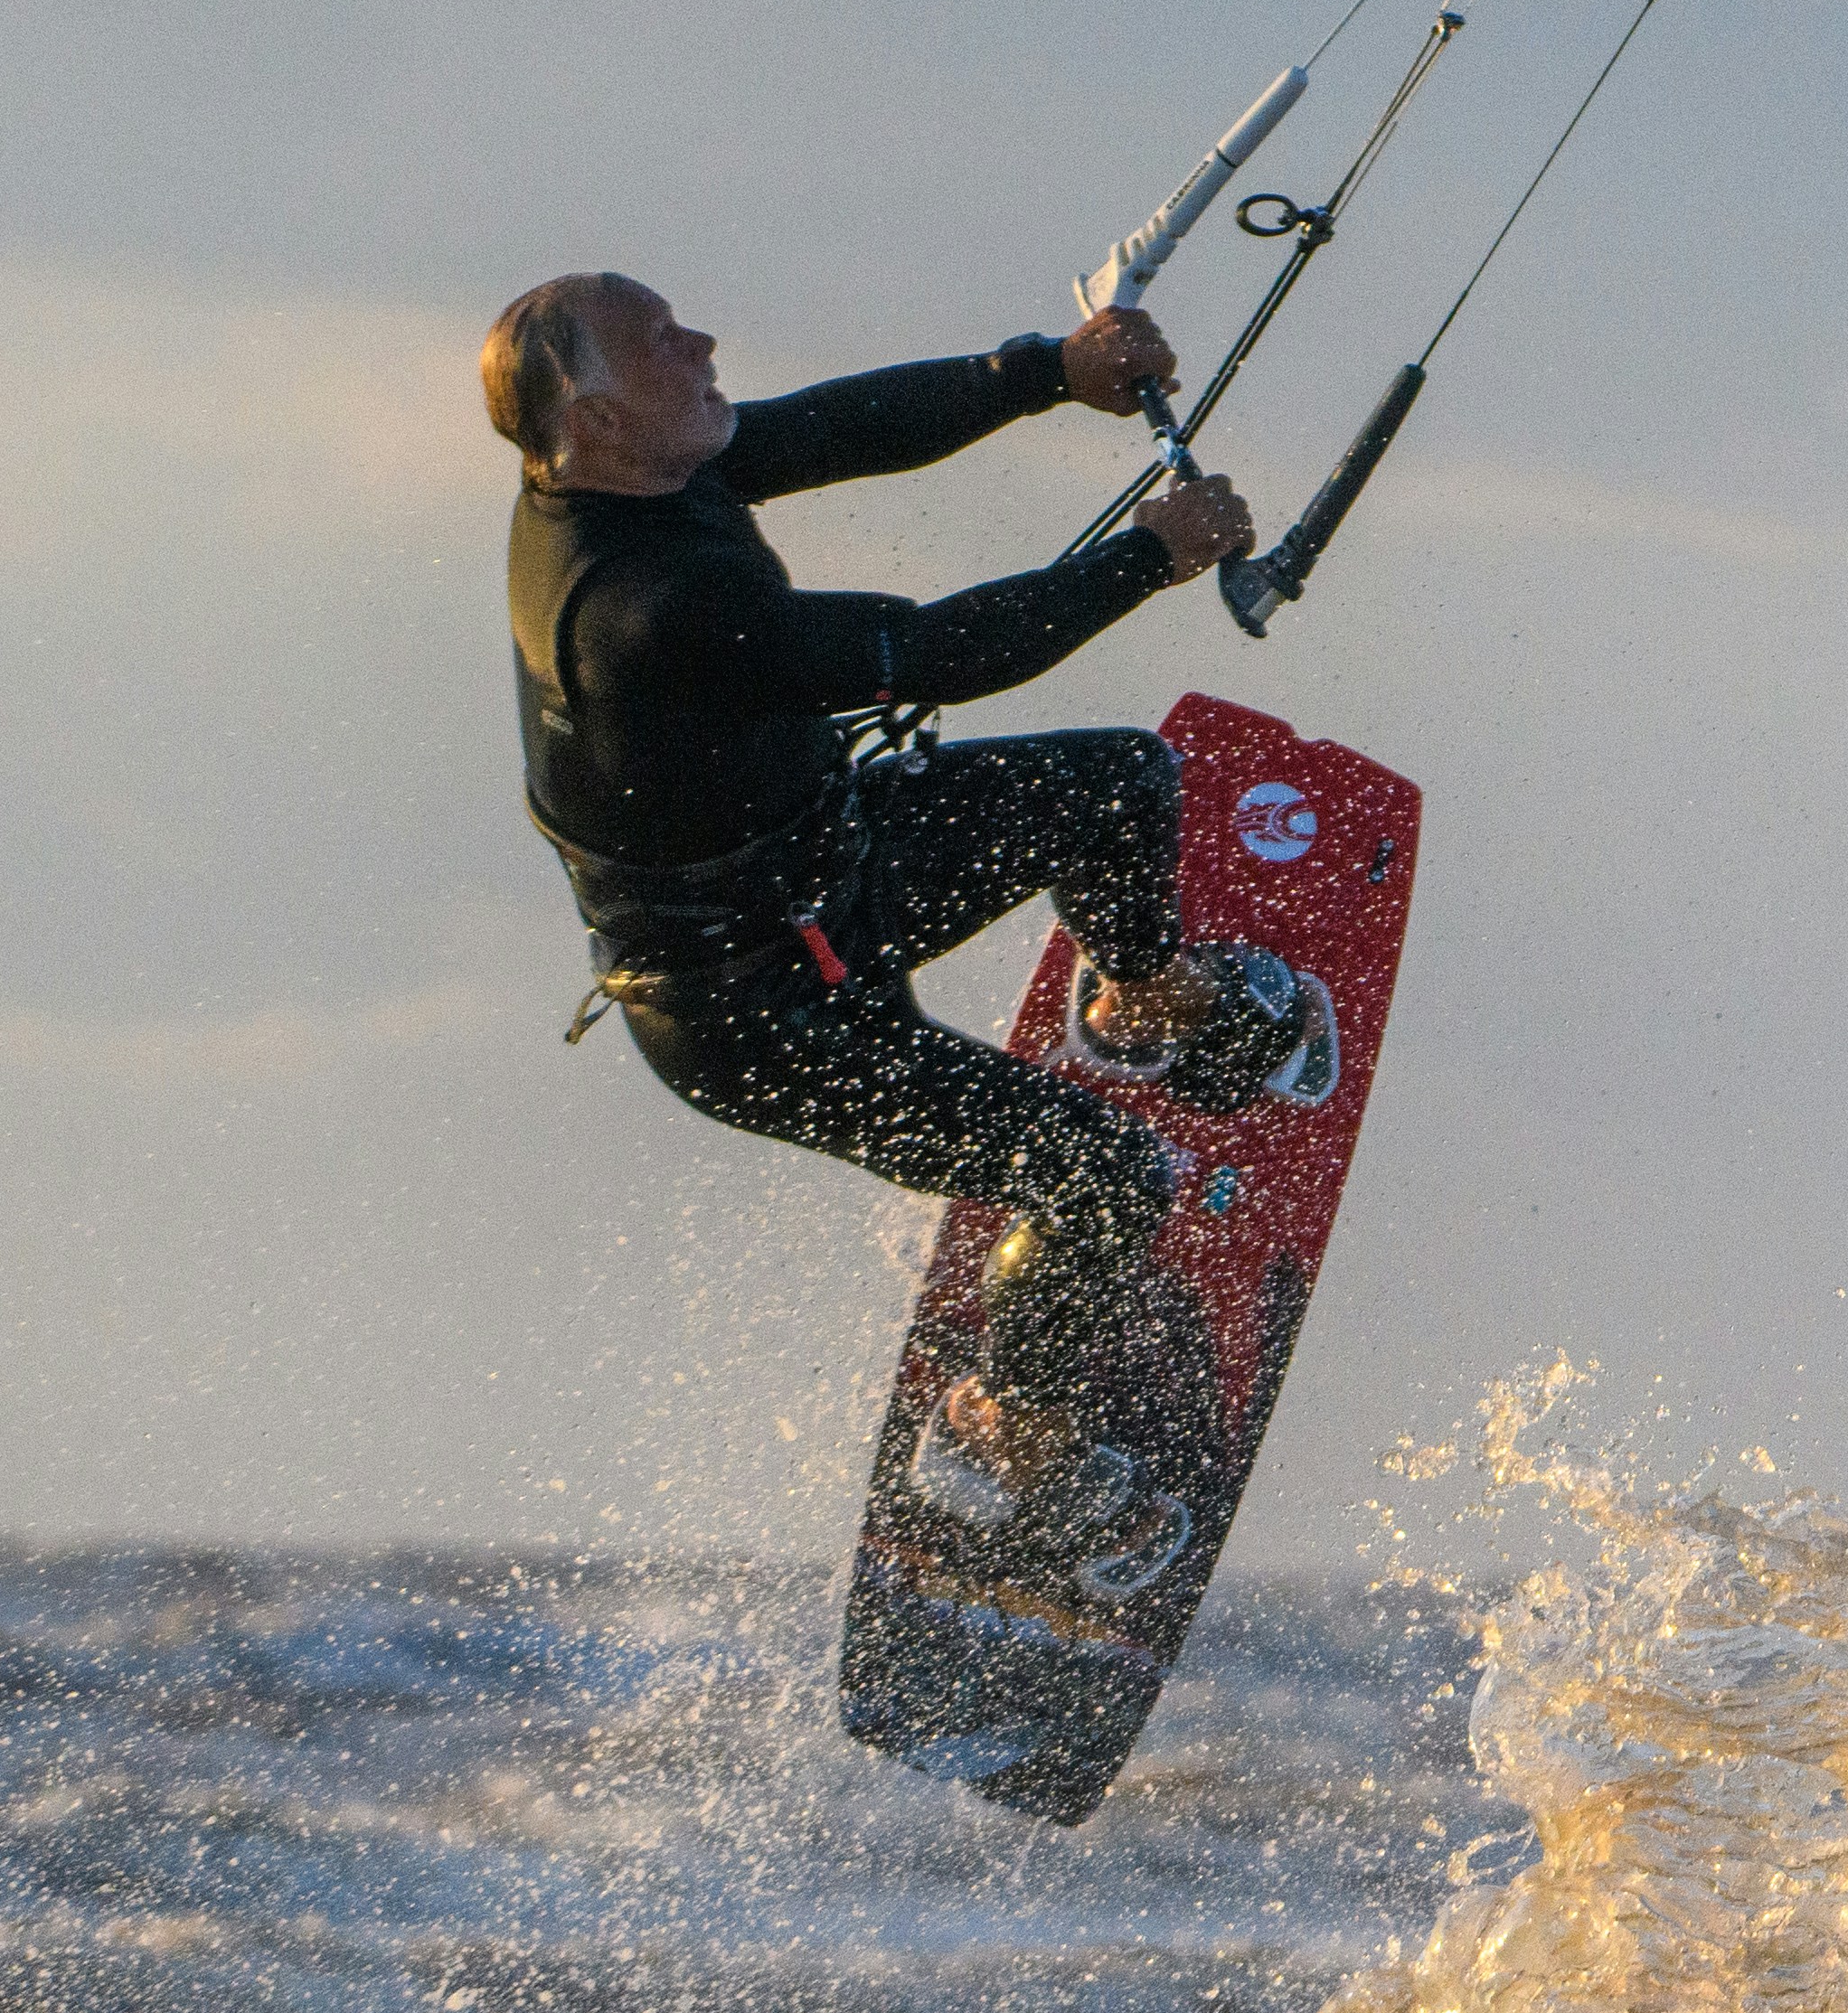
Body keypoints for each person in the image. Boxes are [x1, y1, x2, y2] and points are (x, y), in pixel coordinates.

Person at [484, 268, 1333, 1540]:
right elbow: (936, 654)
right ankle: (1011, 1433)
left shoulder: (656, 465)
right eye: (661, 341)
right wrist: (1151, 559)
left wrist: (1050, 369)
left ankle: (1150, 998)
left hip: (838, 870)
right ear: (593, 418)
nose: (705, 338)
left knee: (1113, 782)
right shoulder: (644, 611)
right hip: (758, 1018)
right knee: (1099, 1174)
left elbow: (838, 427)